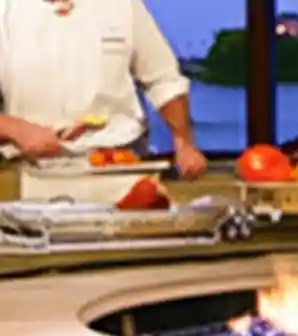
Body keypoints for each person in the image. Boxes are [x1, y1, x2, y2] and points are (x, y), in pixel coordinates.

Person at [0, 0, 207, 202]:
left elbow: (164, 79)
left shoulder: (122, 5)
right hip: (32, 177)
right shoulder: (6, 9)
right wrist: (18, 129)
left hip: (118, 171)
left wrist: (184, 144)